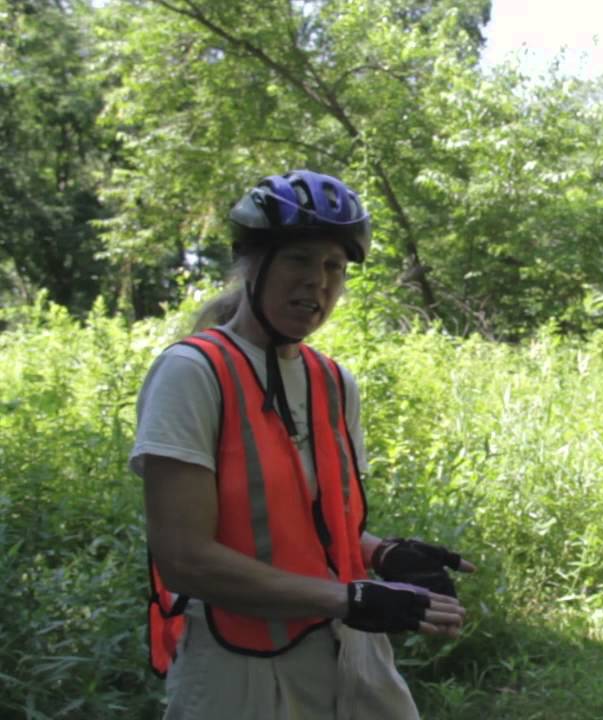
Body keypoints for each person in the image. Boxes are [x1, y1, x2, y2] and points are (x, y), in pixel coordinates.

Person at [131, 170, 476, 719]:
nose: (317, 281)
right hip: (237, 664)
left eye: (333, 266)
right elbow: (185, 560)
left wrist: (383, 554)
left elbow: (314, 526)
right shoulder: (193, 373)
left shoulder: (334, 382)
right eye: (298, 258)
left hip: (349, 650)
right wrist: (350, 597)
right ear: (253, 264)